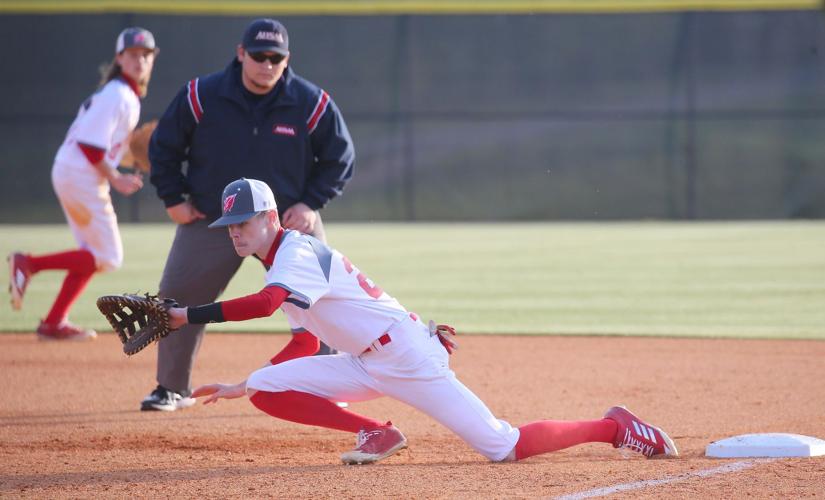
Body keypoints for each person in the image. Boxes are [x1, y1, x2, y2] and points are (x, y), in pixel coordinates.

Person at [166, 178, 678, 465]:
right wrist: (245, 383)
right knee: (264, 386)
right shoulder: (281, 264)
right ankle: (378, 433)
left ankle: (615, 428)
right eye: (229, 225)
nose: (234, 232)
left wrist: (186, 315)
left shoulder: (295, 254)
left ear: (271, 218)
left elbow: (263, 305)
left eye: (243, 222)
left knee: (504, 446)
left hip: (406, 356)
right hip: (363, 362)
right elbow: (304, 342)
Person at [143, 18, 355, 411]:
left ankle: (326, 385)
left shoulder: (310, 102)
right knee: (180, 294)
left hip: (286, 221)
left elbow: (340, 158)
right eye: (259, 56)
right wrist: (172, 197)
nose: (267, 64)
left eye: (276, 57)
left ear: (287, 59)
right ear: (241, 53)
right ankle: (171, 387)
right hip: (213, 218)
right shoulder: (201, 95)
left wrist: (310, 202)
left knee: (320, 300)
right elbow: (163, 147)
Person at [7, 27, 157, 340]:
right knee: (109, 256)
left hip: (74, 172)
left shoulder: (122, 95)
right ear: (119, 58)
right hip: (80, 174)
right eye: (133, 54)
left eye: (146, 55)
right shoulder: (118, 95)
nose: (140, 60)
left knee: (93, 255)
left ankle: (54, 322)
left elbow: (107, 148)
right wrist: (115, 177)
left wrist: (131, 160)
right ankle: (29, 264)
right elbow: (90, 145)